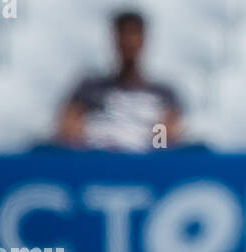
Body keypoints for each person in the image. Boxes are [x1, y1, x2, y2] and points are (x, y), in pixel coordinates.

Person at [55, 10, 184, 152]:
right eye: (124, 35)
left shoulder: (163, 94)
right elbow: (69, 131)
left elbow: (167, 139)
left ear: (143, 40)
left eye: (134, 35)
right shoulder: (89, 89)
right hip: (97, 162)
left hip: (144, 165)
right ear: (115, 39)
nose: (129, 42)